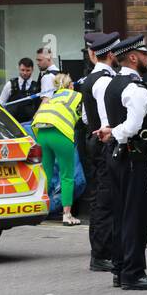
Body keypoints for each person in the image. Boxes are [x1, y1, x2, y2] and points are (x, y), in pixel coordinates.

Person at [95, 34, 147, 291]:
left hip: (116, 155)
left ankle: (120, 269)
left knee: (121, 215)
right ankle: (134, 273)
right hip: (134, 157)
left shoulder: (111, 85)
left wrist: (110, 132)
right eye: (145, 55)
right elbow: (133, 126)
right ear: (134, 57)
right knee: (136, 217)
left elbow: (110, 121)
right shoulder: (136, 88)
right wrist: (114, 133)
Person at [78, 31, 120, 272]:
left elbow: (86, 117)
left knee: (101, 198)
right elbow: (107, 119)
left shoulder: (91, 79)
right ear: (111, 55)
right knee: (106, 199)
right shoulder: (104, 81)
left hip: (93, 141)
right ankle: (102, 254)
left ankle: (102, 251)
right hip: (104, 143)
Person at [31, 73, 83, 226]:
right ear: (71, 85)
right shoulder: (76, 95)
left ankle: (42, 212)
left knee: (45, 174)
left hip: (42, 134)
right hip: (61, 134)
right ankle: (67, 215)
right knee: (67, 176)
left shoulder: (53, 96)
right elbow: (84, 118)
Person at [0, 57, 41, 123]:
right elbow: (1, 103)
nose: (25, 73)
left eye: (28, 70)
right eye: (22, 70)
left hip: (30, 124)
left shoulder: (37, 87)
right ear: (19, 68)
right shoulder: (10, 84)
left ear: (32, 70)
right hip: (12, 123)